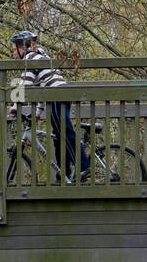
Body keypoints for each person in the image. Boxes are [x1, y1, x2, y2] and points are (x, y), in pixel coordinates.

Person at [7, 30, 90, 181]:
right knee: (59, 136)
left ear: (22, 47)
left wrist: (15, 106)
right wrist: (38, 112)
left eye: (14, 49)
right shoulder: (40, 57)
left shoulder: (30, 58)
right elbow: (41, 88)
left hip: (57, 95)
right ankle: (64, 174)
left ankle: (84, 167)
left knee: (65, 132)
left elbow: (25, 84)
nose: (13, 53)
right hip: (56, 95)